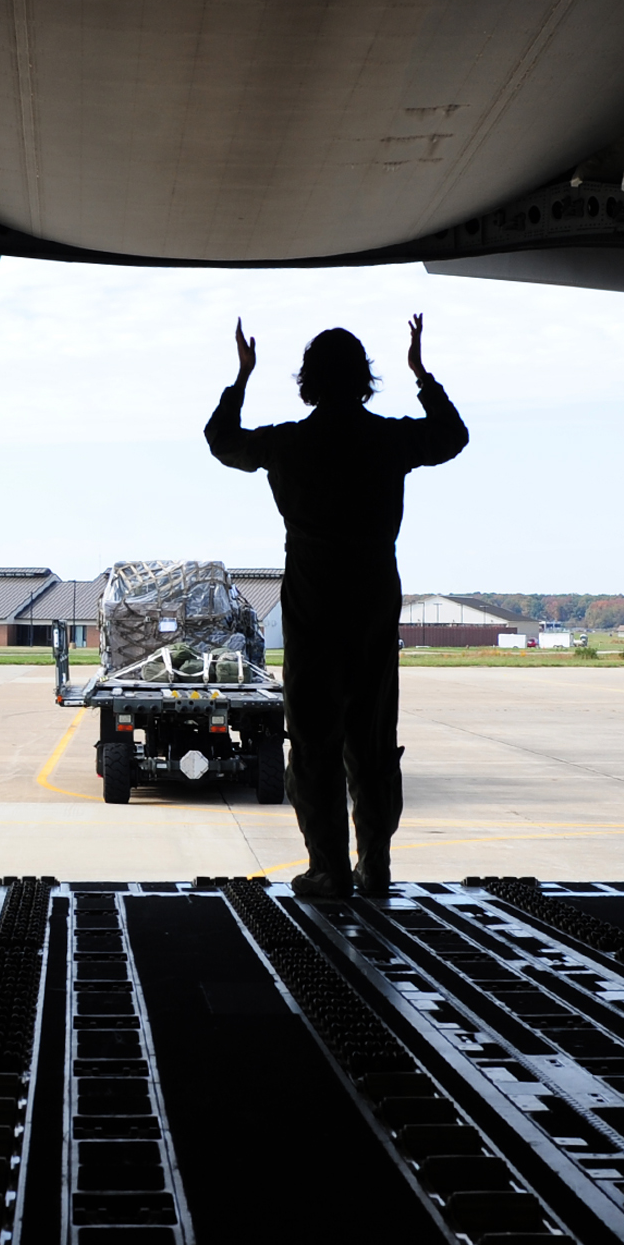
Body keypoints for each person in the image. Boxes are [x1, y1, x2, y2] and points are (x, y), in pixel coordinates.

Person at [206, 316, 468, 898]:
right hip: (373, 608)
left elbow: (222, 440)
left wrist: (242, 378)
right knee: (372, 745)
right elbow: (452, 436)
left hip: (313, 613)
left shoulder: (288, 443)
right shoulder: (388, 439)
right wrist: (422, 374)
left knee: (315, 748)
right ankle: (375, 863)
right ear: (364, 380)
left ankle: (327, 867)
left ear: (308, 383)